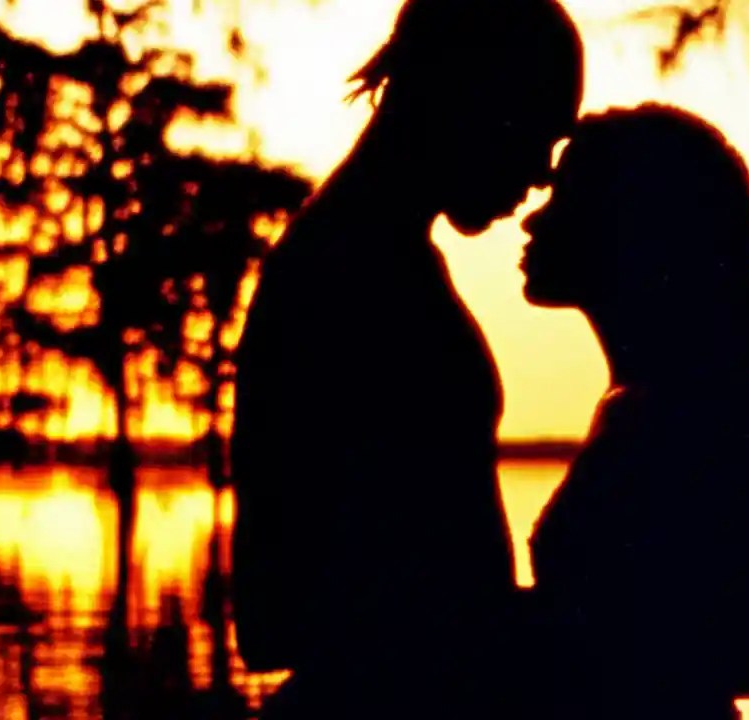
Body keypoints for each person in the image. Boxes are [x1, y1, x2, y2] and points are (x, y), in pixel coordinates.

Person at [229, 1, 584, 717]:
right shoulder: (344, 274)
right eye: (536, 132)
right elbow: (275, 614)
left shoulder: (378, 260)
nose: (544, 174)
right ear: (472, 96)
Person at [518, 104, 749, 720]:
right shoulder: (644, 407)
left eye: (566, 197)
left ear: (629, 229)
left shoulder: (675, 419)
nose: (532, 219)